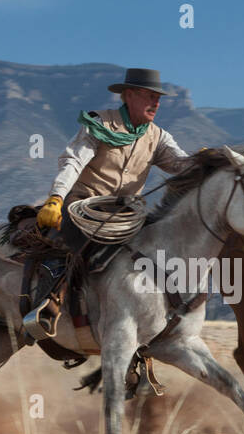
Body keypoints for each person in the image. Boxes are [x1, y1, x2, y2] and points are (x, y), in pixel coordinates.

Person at [27, 68, 190, 337]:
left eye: (158, 98)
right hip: (84, 206)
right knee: (71, 243)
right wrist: (56, 198)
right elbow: (73, 161)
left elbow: (180, 164)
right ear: (128, 95)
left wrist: (204, 162)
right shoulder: (99, 124)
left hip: (128, 215)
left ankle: (153, 318)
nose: (156, 103)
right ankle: (49, 303)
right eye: (149, 96)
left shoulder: (158, 137)